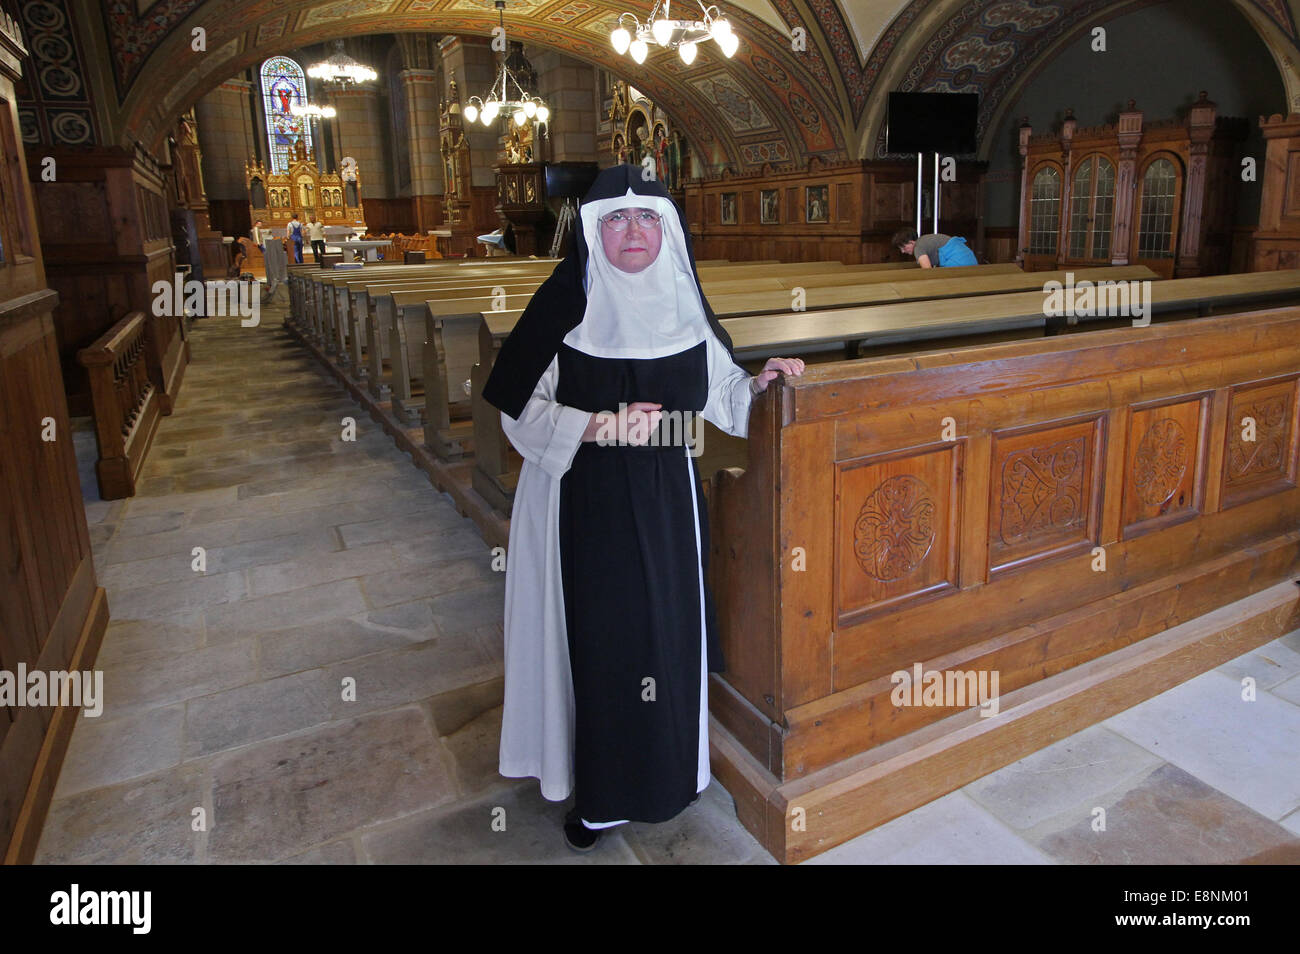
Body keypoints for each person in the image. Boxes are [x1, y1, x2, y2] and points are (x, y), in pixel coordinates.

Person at [482, 164, 805, 852]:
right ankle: (600, 792)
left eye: (649, 217)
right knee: (602, 645)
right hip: (580, 501)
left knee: (664, 637)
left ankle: (665, 773)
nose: (634, 231)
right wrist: (599, 427)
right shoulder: (564, 306)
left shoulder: (683, 303)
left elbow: (728, 396)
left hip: (668, 500)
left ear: (669, 230)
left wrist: (768, 388)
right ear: (596, 232)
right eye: (618, 219)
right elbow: (518, 415)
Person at [892, 228, 978, 268]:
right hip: (970, 259)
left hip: (958, 262)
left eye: (903, 247)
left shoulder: (918, 247)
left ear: (911, 242)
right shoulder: (925, 239)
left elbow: (927, 271)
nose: (902, 251)